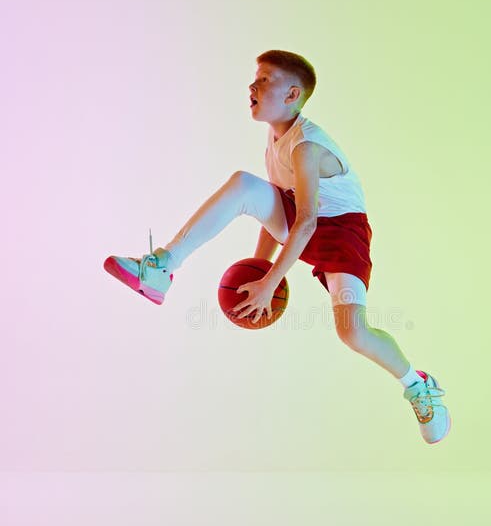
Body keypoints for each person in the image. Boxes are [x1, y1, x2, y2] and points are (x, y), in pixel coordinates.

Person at [104, 49, 451, 443]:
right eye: (254, 78)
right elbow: (279, 213)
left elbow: (304, 222)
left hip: (342, 235)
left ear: (292, 95)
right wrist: (258, 265)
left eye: (265, 79)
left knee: (353, 333)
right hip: (305, 224)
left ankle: (417, 385)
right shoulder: (274, 140)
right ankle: (162, 267)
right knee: (245, 186)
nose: (252, 86)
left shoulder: (306, 147)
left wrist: (269, 281)